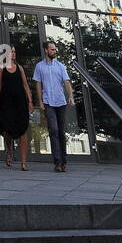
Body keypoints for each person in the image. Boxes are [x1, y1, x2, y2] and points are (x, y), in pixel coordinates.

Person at [32, 39, 74, 172]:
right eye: (52, 49)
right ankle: (57, 161)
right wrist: (40, 101)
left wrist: (71, 96)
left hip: (60, 101)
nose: (54, 51)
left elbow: (66, 82)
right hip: (48, 101)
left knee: (61, 131)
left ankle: (64, 161)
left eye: (55, 49)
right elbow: (38, 84)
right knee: (54, 130)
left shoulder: (60, 66)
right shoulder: (39, 66)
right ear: (46, 50)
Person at [0, 44, 33, 170]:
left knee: (23, 130)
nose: (14, 54)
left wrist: (30, 101)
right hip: (7, 102)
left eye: (15, 52)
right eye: (11, 52)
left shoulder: (20, 68)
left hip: (20, 102)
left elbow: (25, 85)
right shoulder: (1, 68)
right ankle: (10, 150)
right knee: (7, 130)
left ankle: (23, 162)